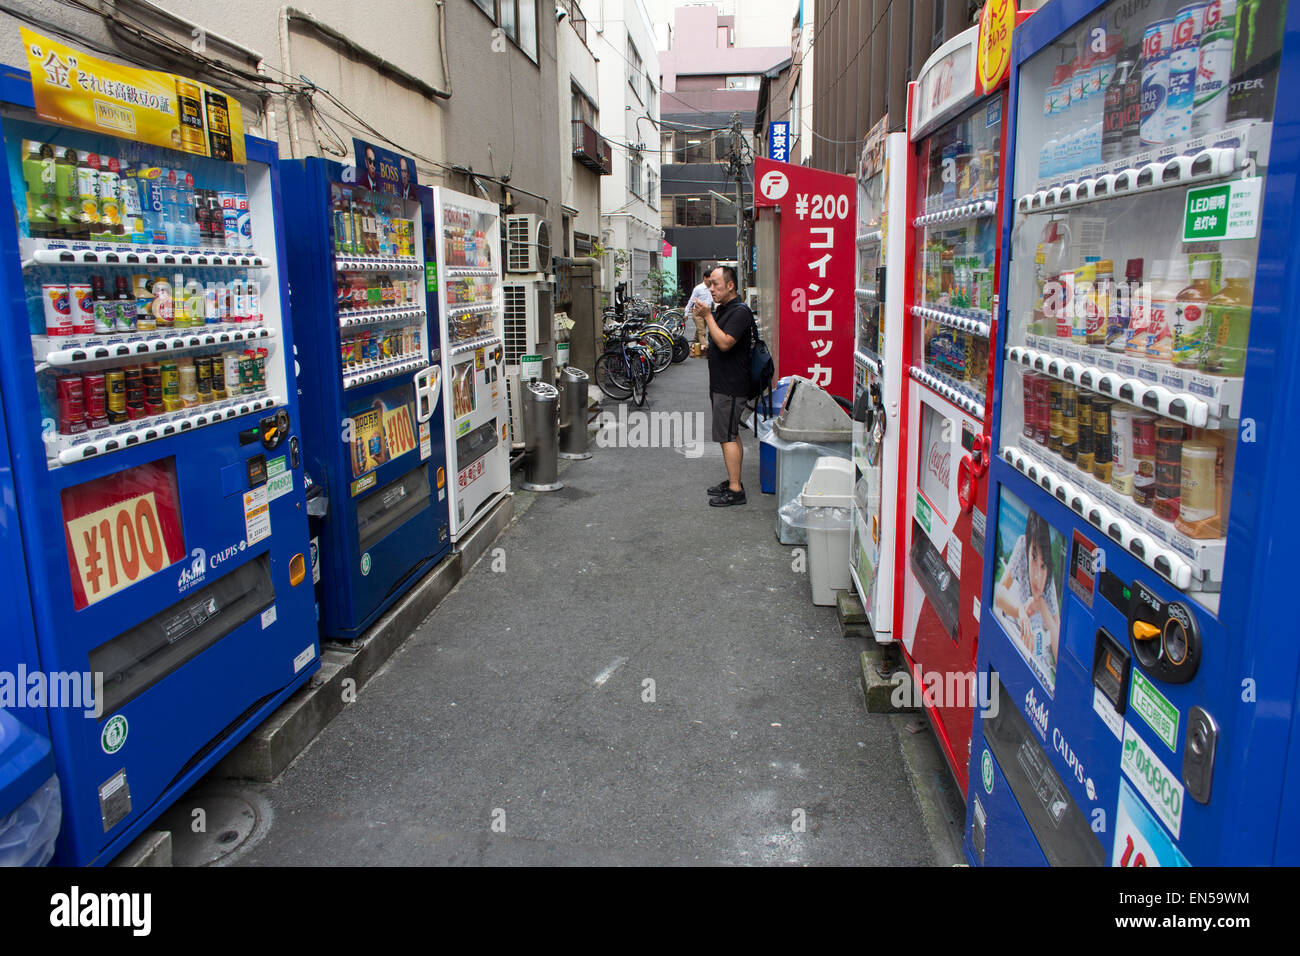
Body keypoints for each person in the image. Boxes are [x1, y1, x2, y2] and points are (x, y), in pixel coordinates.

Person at [699, 264, 754, 507]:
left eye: (715, 284)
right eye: (709, 284)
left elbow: (725, 343)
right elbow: (718, 343)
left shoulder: (740, 312)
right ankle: (734, 480)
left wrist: (708, 316)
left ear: (731, 285)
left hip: (731, 385)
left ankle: (735, 489)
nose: (711, 289)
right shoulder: (725, 309)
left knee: (728, 436)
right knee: (728, 434)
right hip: (722, 384)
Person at [993, 509, 1061, 684]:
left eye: (1043, 566)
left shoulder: (1049, 578)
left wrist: (1042, 606)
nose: (1038, 576)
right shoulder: (1023, 545)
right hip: (1015, 643)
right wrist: (1020, 611)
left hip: (1037, 662)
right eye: (1033, 560)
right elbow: (999, 593)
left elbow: (1058, 651)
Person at [685, 279, 712, 352]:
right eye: (710, 278)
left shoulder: (712, 288)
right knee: (702, 331)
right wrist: (686, 312)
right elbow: (691, 300)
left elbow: (712, 300)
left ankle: (692, 348)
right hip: (697, 312)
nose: (711, 280)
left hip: (707, 312)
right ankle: (706, 350)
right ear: (705, 278)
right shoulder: (698, 288)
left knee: (699, 331)